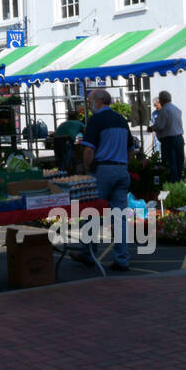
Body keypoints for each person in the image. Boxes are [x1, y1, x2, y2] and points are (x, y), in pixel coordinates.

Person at [72, 90, 134, 272]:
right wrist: (125, 166)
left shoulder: (96, 120)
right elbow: (131, 149)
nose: (89, 105)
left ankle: (88, 253)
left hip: (102, 170)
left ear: (99, 101)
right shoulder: (122, 120)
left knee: (91, 211)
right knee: (121, 217)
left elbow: (89, 150)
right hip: (121, 169)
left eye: (90, 101)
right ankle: (122, 259)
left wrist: (87, 169)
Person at [152, 90, 185, 182]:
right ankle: (179, 182)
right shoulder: (177, 109)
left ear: (162, 100)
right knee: (179, 163)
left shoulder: (164, 110)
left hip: (169, 140)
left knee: (170, 164)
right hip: (179, 138)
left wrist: (152, 128)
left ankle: (172, 184)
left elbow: (160, 126)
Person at [52, 108, 84, 172]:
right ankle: (70, 171)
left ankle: (61, 173)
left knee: (60, 158)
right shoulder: (79, 123)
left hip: (56, 139)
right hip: (66, 139)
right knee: (68, 156)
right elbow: (85, 132)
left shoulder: (64, 123)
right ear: (77, 117)